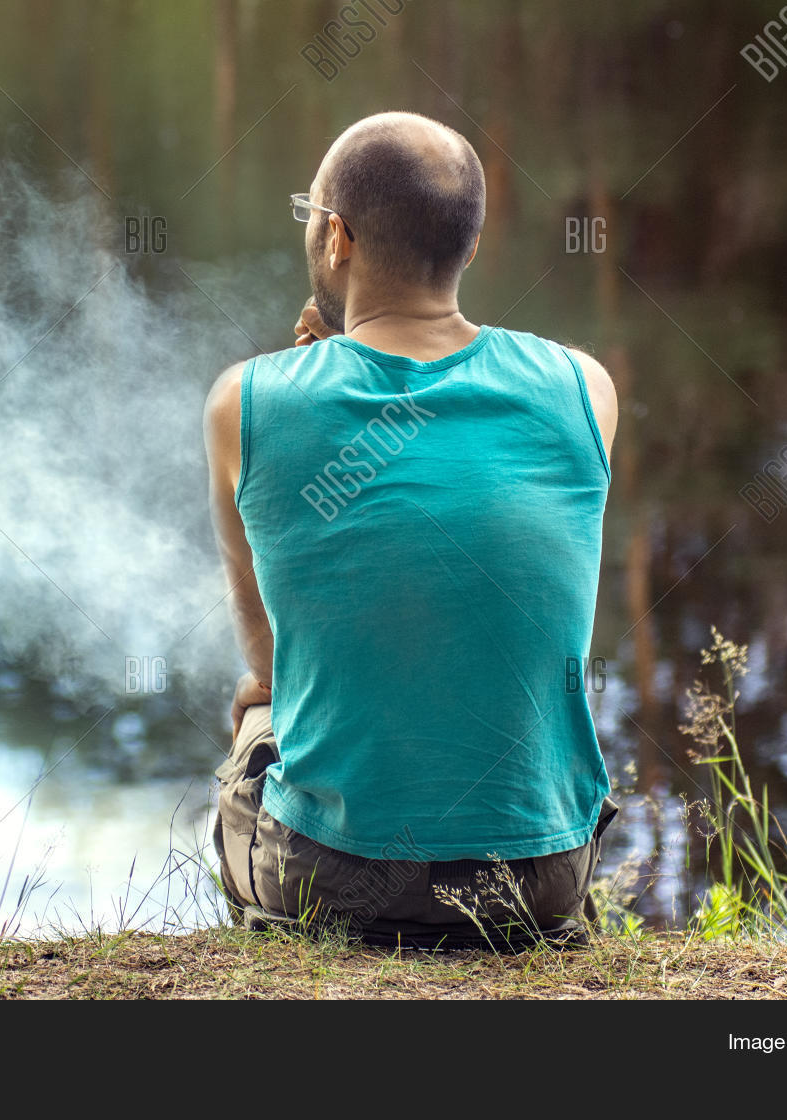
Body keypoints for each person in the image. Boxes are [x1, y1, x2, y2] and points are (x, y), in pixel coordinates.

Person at [202, 111, 620, 949]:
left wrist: (318, 368)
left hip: (329, 876)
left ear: (336, 238)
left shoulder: (243, 405)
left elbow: (271, 663)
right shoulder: (585, 389)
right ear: (468, 248)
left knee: (259, 712)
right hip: (535, 880)